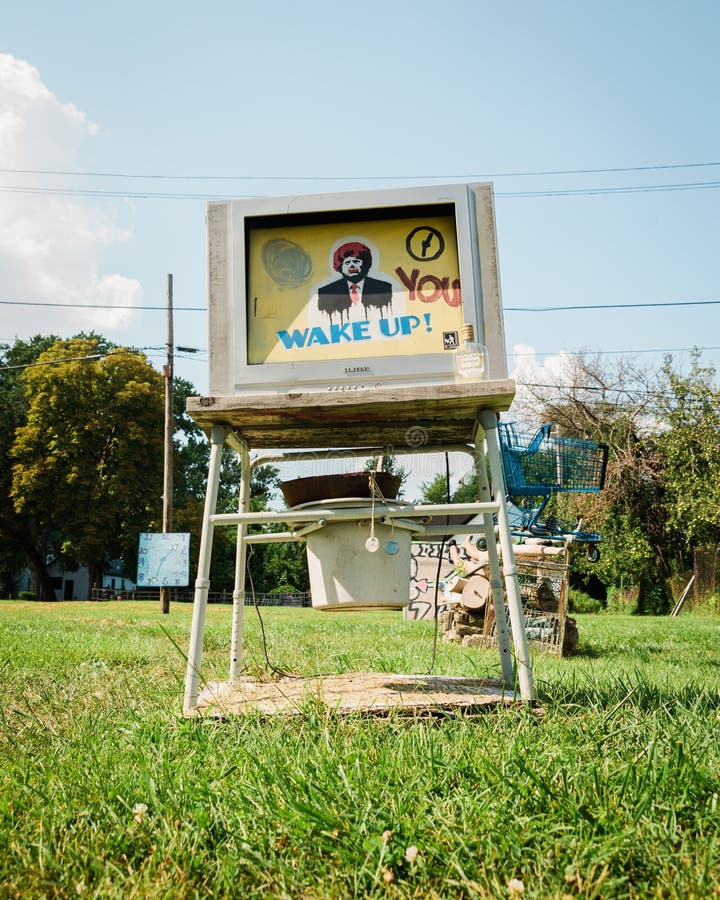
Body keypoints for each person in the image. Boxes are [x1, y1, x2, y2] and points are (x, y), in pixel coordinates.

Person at [317, 241, 394, 323]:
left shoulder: (384, 288)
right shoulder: (326, 292)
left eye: (356, 261)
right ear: (340, 267)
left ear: (365, 263)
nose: (352, 265)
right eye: (347, 262)